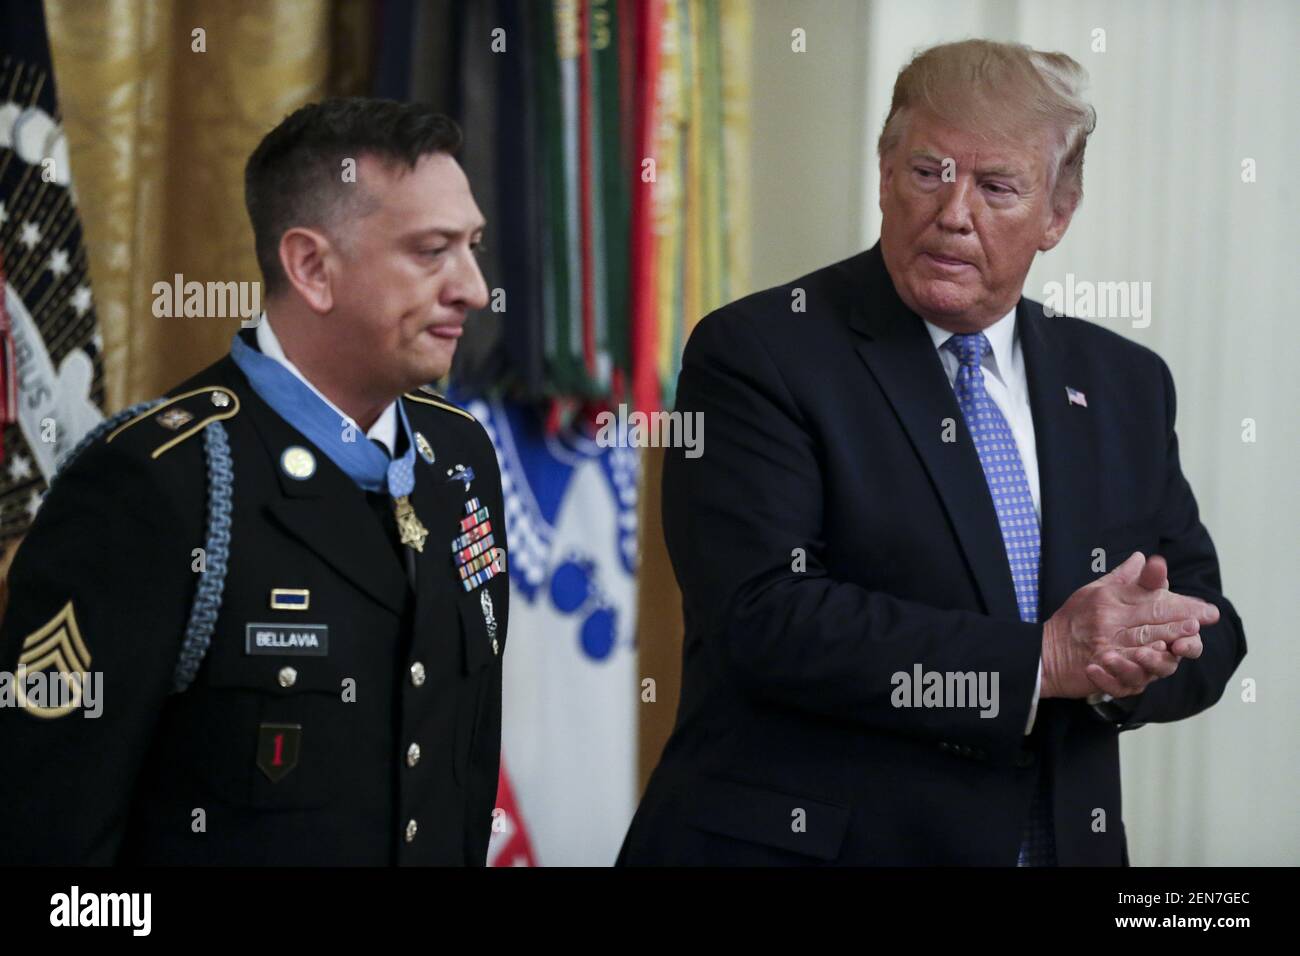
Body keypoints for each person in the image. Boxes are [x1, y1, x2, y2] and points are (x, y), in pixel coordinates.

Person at [619, 40, 1246, 866]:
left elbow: (1205, 617)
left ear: (1057, 214)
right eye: (929, 172)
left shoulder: (1123, 382)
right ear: (884, 173)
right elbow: (763, 617)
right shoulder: (761, 352)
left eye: (996, 187)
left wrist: (1128, 663)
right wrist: (1043, 660)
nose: (955, 211)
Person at [0, 98, 507, 865]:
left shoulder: (459, 456)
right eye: (433, 251)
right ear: (311, 267)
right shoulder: (151, 485)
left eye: (472, 246)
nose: (472, 286)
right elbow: (49, 860)